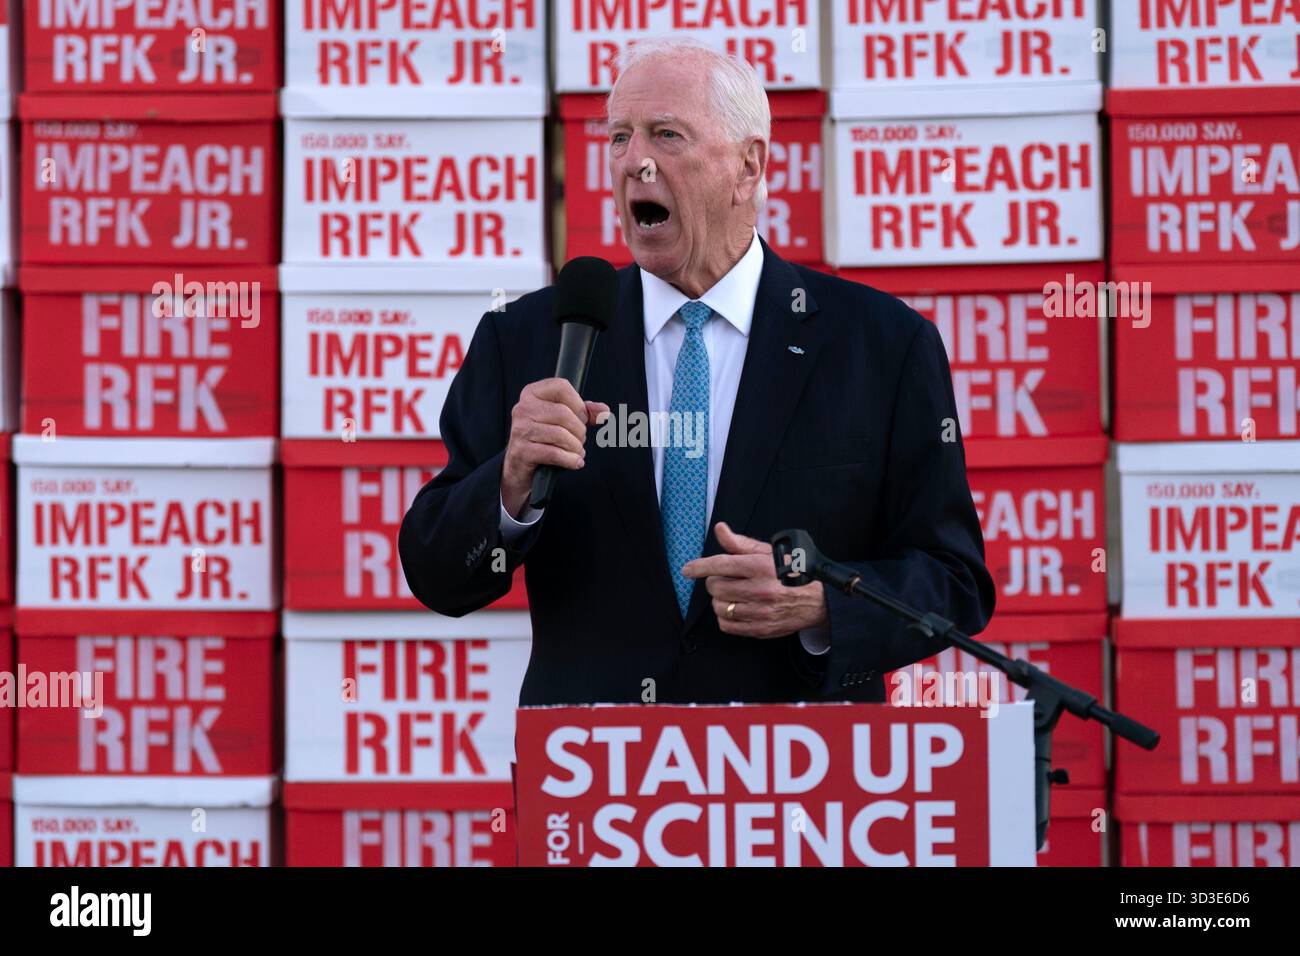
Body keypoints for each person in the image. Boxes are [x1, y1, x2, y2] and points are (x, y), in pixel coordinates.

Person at [399, 37, 995, 706]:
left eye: (666, 135)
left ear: (749, 167)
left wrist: (823, 604)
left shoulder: (880, 345)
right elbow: (436, 574)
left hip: (802, 776)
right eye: (619, 138)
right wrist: (508, 488)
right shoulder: (527, 340)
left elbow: (952, 582)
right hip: (595, 779)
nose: (635, 162)